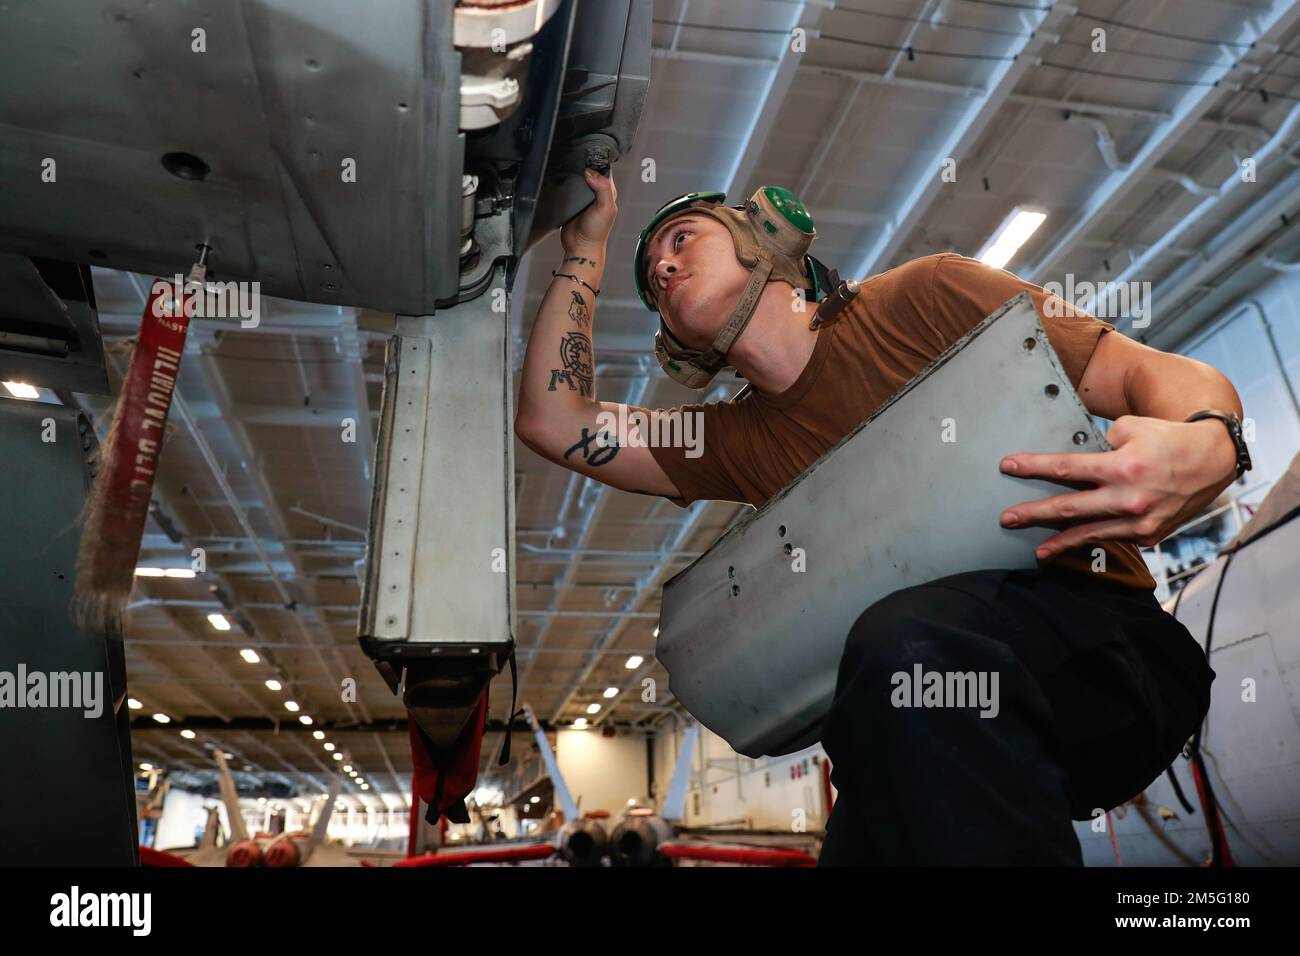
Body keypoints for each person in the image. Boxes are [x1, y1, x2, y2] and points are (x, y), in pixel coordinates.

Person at [514, 167, 1248, 865]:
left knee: (901, 642)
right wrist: (584, 251)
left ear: (763, 232)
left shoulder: (926, 295)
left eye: (682, 240)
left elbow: (1144, 370)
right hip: (920, 718)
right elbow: (554, 421)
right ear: (678, 347)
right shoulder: (733, 441)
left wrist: (1208, 437)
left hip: (1110, 659)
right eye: (653, 279)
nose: (664, 268)